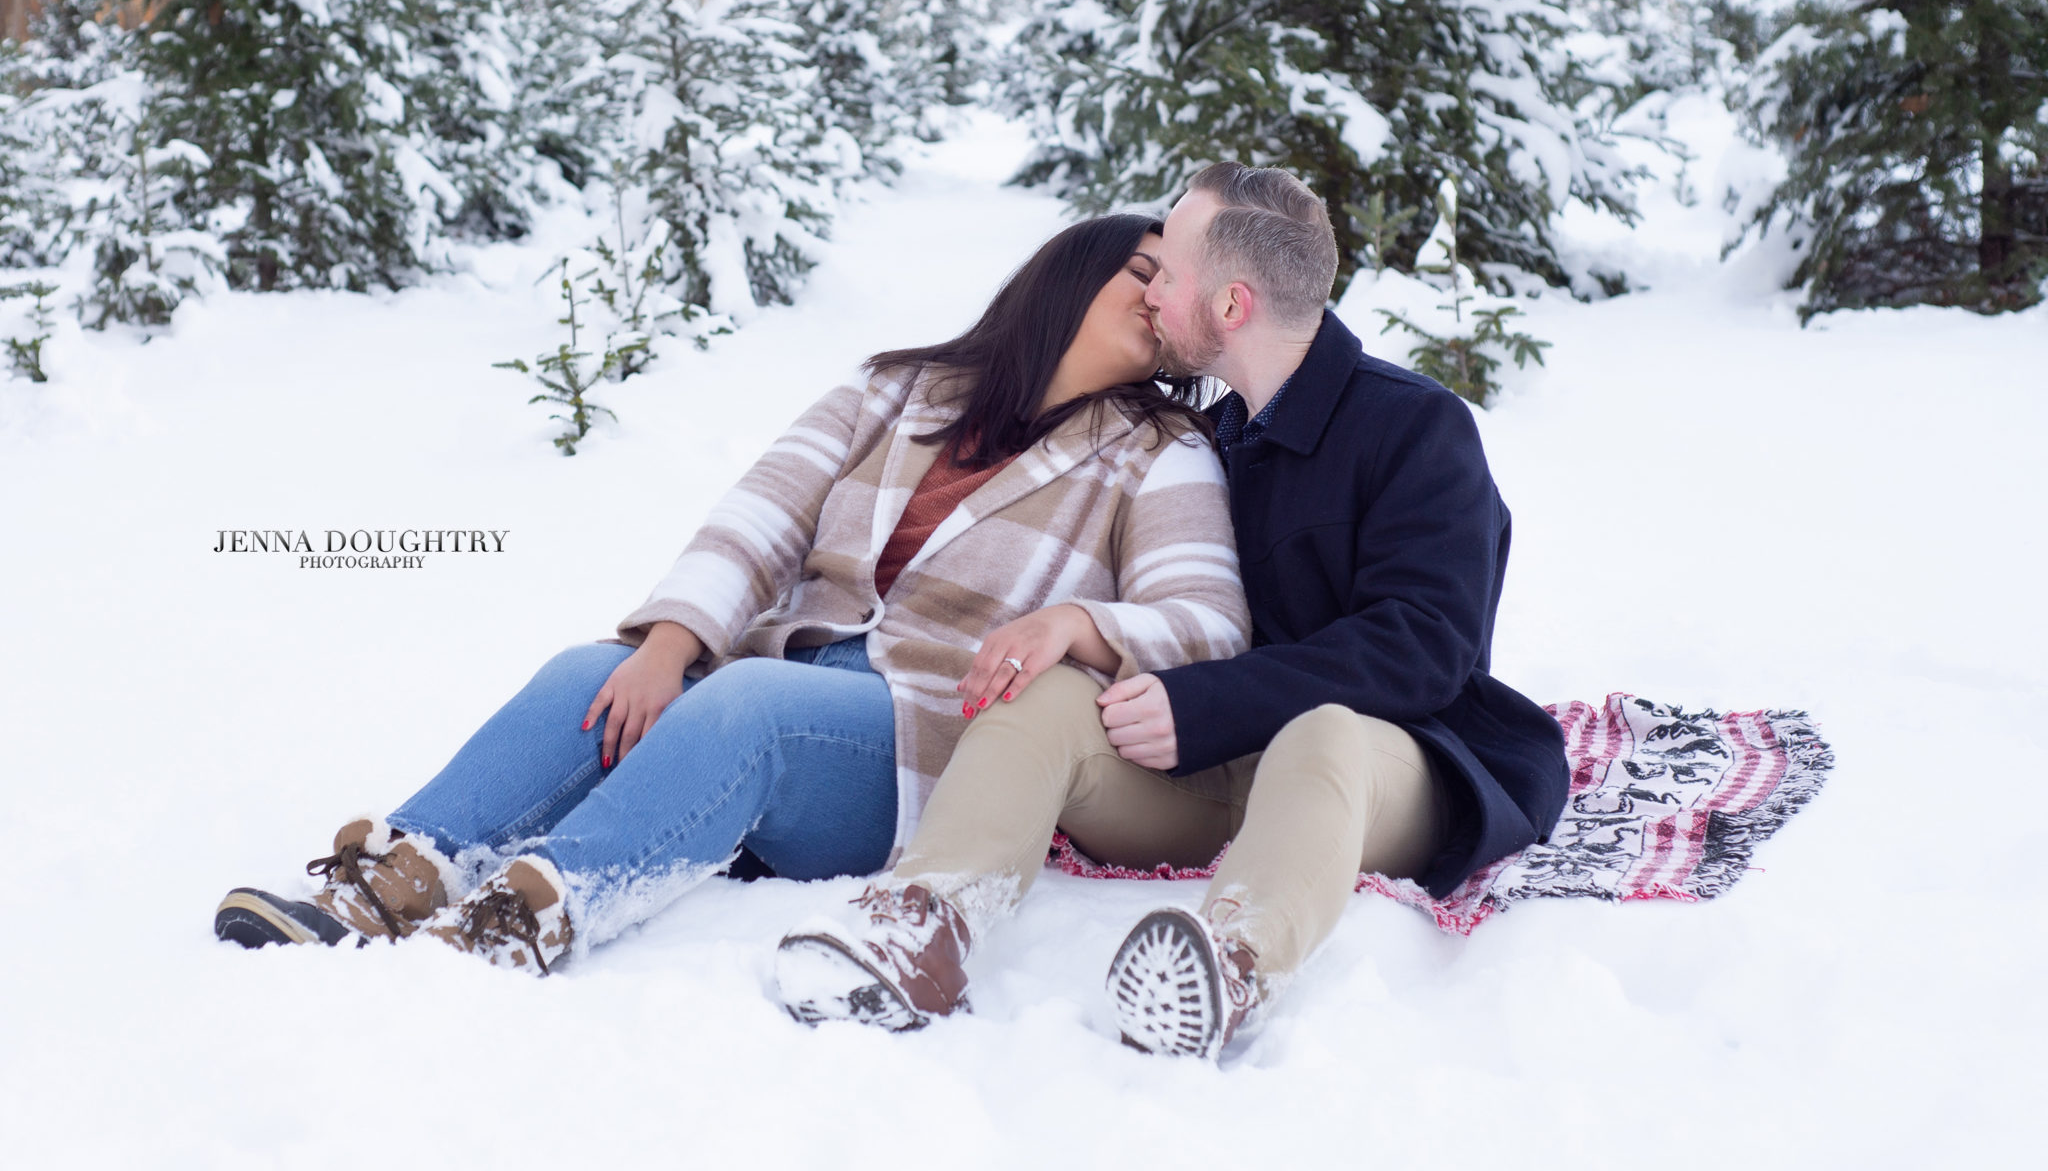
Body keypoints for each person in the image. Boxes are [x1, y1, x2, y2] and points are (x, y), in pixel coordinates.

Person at [212, 214, 1252, 974]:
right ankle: (397, 871)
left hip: (922, 738)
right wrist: (669, 641)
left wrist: (1078, 621)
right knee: (597, 672)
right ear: (1068, 273)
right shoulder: (897, 389)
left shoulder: (1158, 454)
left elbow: (1206, 624)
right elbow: (762, 512)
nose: (1162, 302)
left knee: (749, 704)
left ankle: (536, 908)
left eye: (1175, 292)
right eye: (1142, 270)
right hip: (773, 674)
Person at [773, 163, 1571, 1057]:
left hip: (1390, 758)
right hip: (1214, 767)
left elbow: (1424, 648)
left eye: (1168, 273)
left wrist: (1208, 703)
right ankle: (926, 922)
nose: (1149, 291)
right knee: (1041, 697)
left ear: (1231, 307)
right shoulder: (1209, 438)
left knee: (1324, 733)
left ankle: (1229, 963)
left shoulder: (1417, 427)